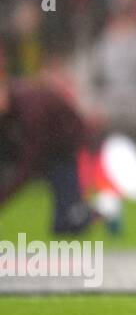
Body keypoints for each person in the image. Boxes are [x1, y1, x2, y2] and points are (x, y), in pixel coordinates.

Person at [0, 74, 122, 236]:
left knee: (70, 220)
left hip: (65, 150)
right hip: (52, 151)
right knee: (62, 224)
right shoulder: (16, 106)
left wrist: (5, 195)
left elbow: (29, 161)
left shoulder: (31, 111)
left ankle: (105, 212)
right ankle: (88, 212)